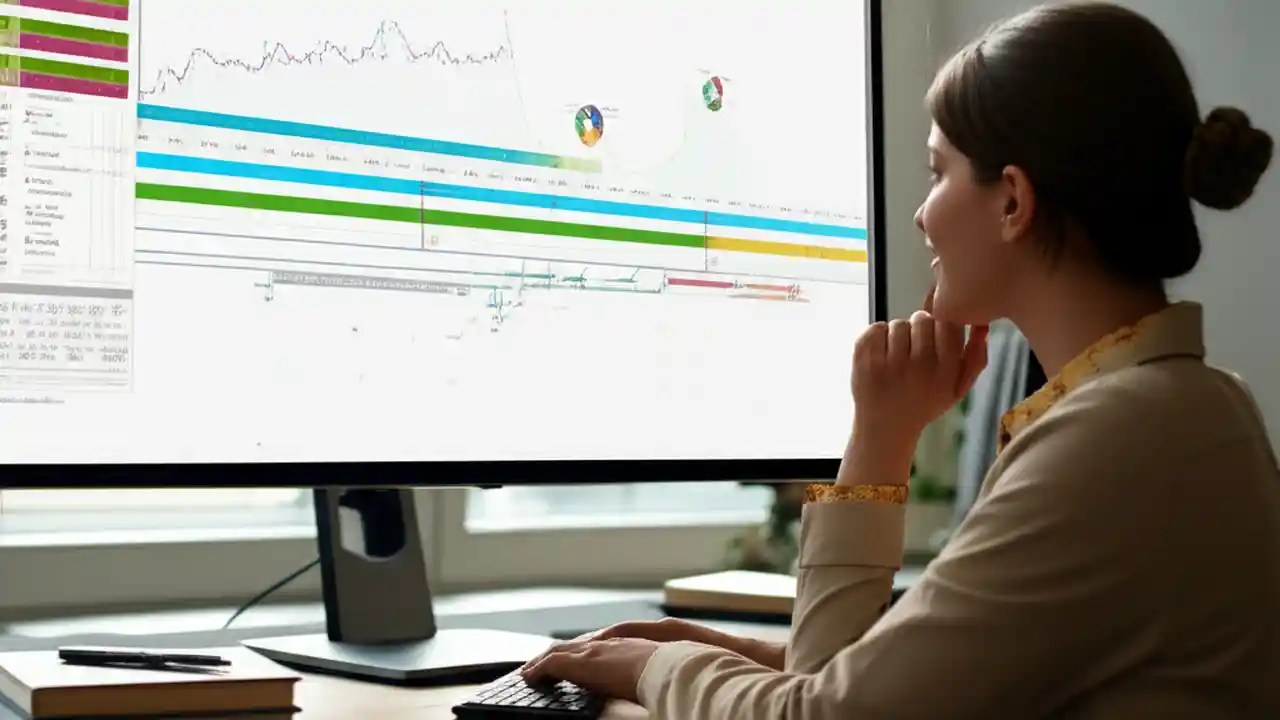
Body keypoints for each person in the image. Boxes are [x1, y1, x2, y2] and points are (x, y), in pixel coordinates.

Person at [521, 2, 1280, 717]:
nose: (921, 213)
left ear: (1013, 201)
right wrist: (727, 652)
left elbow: (824, 716)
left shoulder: (1123, 437)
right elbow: (842, 684)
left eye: (937, 171)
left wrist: (649, 672)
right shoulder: (1177, 407)